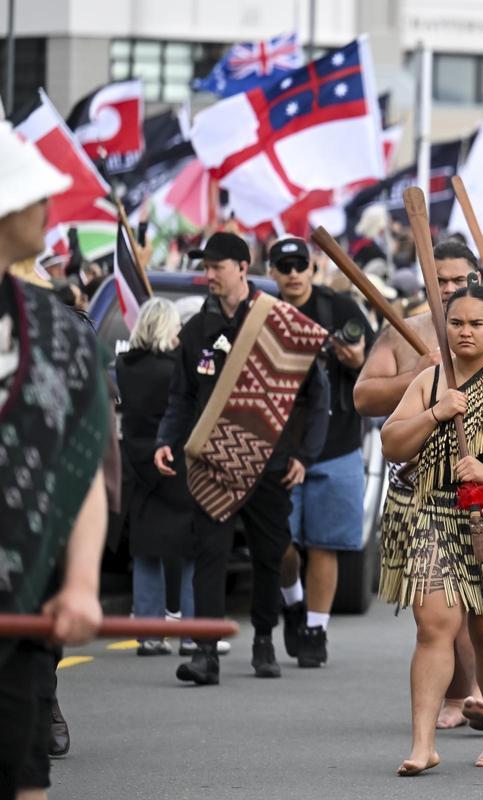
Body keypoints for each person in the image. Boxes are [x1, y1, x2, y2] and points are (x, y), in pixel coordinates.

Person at [357, 240, 483, 726]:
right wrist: (429, 399)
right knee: (436, 623)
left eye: (475, 323)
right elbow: (373, 414)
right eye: (456, 322)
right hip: (430, 506)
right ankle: (429, 732)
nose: (465, 329)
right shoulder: (414, 350)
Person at [154, 232, 330, 685]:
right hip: (212, 461)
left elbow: (317, 395)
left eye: (216, 267)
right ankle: (205, 654)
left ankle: (264, 642)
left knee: (269, 556)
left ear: (242, 267)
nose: (209, 275)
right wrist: (165, 440)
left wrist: (305, 456)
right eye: (206, 267)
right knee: (209, 554)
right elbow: (180, 397)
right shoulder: (197, 330)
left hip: (271, 462)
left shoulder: (281, 324)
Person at [0, 122, 108, 800]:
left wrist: (82, 584)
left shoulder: (60, 333)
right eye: (34, 195)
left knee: (24, 780)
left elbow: (81, 467)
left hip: (23, 604)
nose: (48, 208)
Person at [267, 237, 376, 668]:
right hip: (279, 447)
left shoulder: (341, 309)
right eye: (285, 266)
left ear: (313, 268)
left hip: (337, 444)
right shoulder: (265, 314)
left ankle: (315, 629)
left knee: (325, 544)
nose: (294, 273)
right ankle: (293, 602)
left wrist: (356, 359)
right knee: (280, 543)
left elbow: (377, 372)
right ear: (272, 272)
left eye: (301, 265)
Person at [116, 299, 197, 657]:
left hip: (139, 467)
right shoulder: (177, 370)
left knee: (146, 551)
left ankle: (149, 633)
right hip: (177, 464)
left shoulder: (124, 367)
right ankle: (193, 634)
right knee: (192, 550)